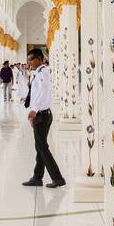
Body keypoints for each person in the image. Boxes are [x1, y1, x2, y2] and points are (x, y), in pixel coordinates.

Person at [22, 48, 65, 188]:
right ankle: (37, 177)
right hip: (42, 114)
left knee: (42, 147)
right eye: (28, 60)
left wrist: (34, 110)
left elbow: (42, 93)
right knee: (40, 147)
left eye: (31, 59)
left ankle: (57, 178)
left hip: (41, 115)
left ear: (39, 59)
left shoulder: (42, 73)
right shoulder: (37, 72)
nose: (29, 62)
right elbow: (35, 93)